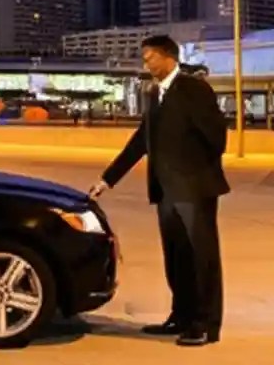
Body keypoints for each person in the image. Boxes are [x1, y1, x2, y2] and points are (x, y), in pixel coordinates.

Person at [89, 35, 230, 347]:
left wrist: (195, 171)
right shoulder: (154, 94)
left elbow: (217, 136)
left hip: (194, 189)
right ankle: (180, 316)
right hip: (166, 191)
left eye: (150, 57)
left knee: (201, 258)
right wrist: (108, 179)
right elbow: (141, 141)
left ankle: (204, 324)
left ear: (168, 56)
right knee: (176, 257)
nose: (146, 63)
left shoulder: (194, 88)